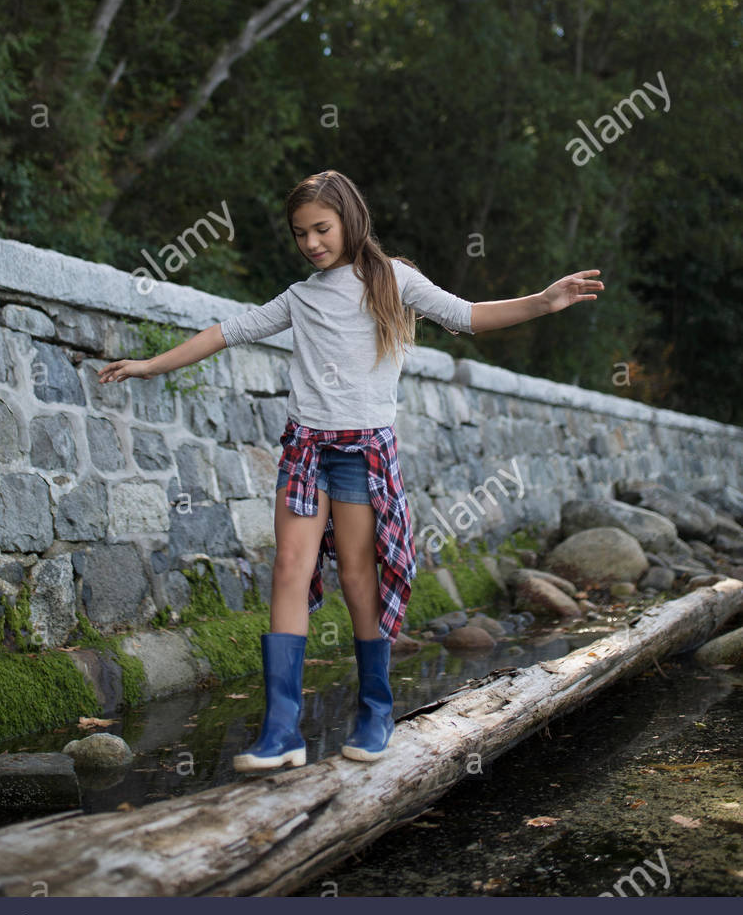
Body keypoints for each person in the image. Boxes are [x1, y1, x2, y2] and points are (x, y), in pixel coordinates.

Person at [97, 169, 604, 772]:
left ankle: (374, 710)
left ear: (350, 220)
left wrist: (544, 301)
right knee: (289, 566)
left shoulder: (392, 280)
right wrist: (151, 364)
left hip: (363, 455)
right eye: (300, 233)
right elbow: (224, 334)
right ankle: (281, 730)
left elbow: (467, 316)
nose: (312, 242)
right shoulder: (299, 297)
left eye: (321, 228)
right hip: (306, 450)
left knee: (361, 579)